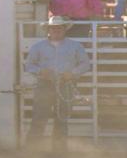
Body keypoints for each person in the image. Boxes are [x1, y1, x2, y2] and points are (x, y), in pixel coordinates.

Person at [24, 15, 91, 144]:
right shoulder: (38, 46)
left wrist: (72, 73)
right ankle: (31, 152)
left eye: (59, 28)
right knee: (39, 118)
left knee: (62, 120)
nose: (56, 30)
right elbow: (29, 65)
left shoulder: (75, 46)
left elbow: (85, 64)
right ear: (48, 30)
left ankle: (59, 153)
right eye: (53, 28)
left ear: (64, 29)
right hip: (45, 84)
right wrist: (40, 71)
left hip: (65, 84)